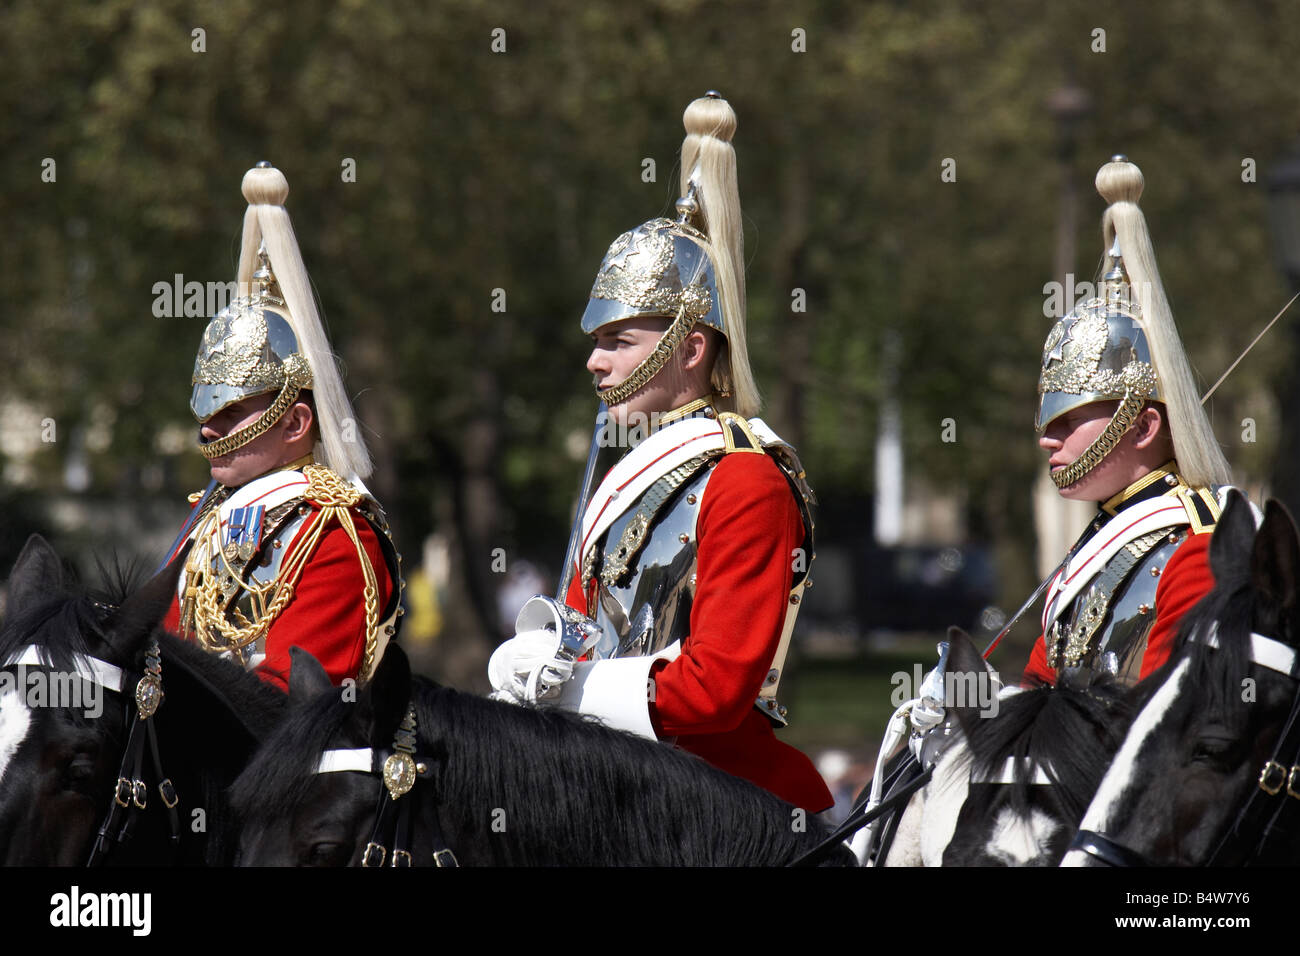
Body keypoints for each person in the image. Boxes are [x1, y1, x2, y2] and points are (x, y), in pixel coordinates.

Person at [489, 94, 833, 812]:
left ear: (690, 348)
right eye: (596, 343)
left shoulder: (744, 477)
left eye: (618, 342)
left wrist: (568, 687)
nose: (595, 363)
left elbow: (713, 690)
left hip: (720, 803)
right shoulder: (630, 478)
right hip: (608, 782)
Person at [163, 162, 401, 690]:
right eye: (207, 413)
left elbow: (289, 702)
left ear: (295, 421)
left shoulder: (333, 531)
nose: (209, 431)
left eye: (231, 413)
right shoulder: (210, 522)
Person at [1023, 155, 1236, 686]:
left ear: (1142, 428)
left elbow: (1168, 719)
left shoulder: (1197, 546)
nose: (1049, 439)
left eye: (1069, 419)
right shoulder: (1099, 541)